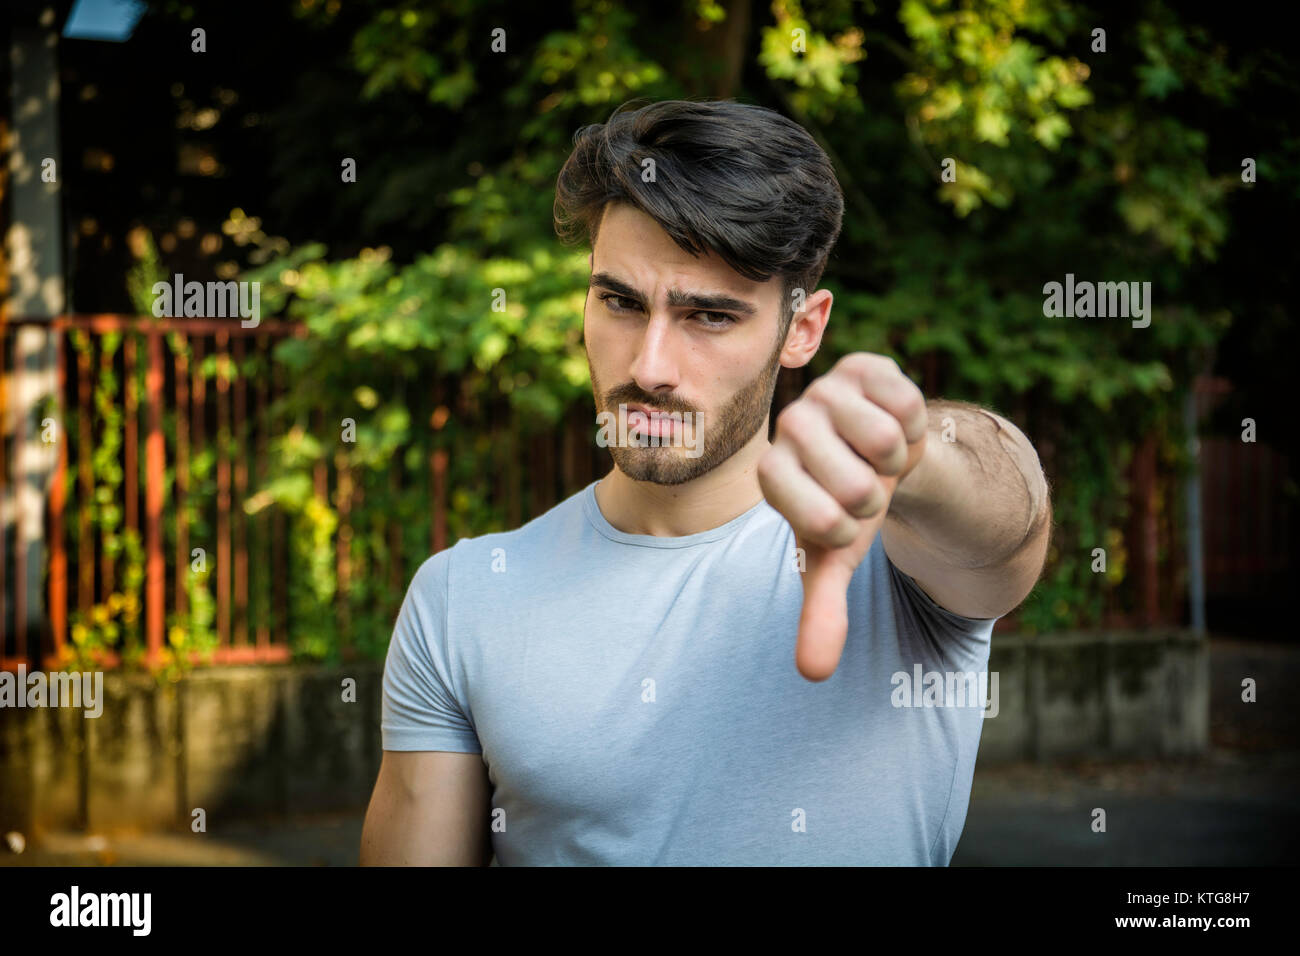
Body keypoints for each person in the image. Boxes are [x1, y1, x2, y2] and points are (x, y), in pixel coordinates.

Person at [360, 99, 1051, 866]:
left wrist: (914, 457)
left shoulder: (895, 558)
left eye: (710, 316)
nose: (648, 367)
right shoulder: (465, 597)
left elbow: (1008, 520)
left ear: (803, 330)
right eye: (620, 302)